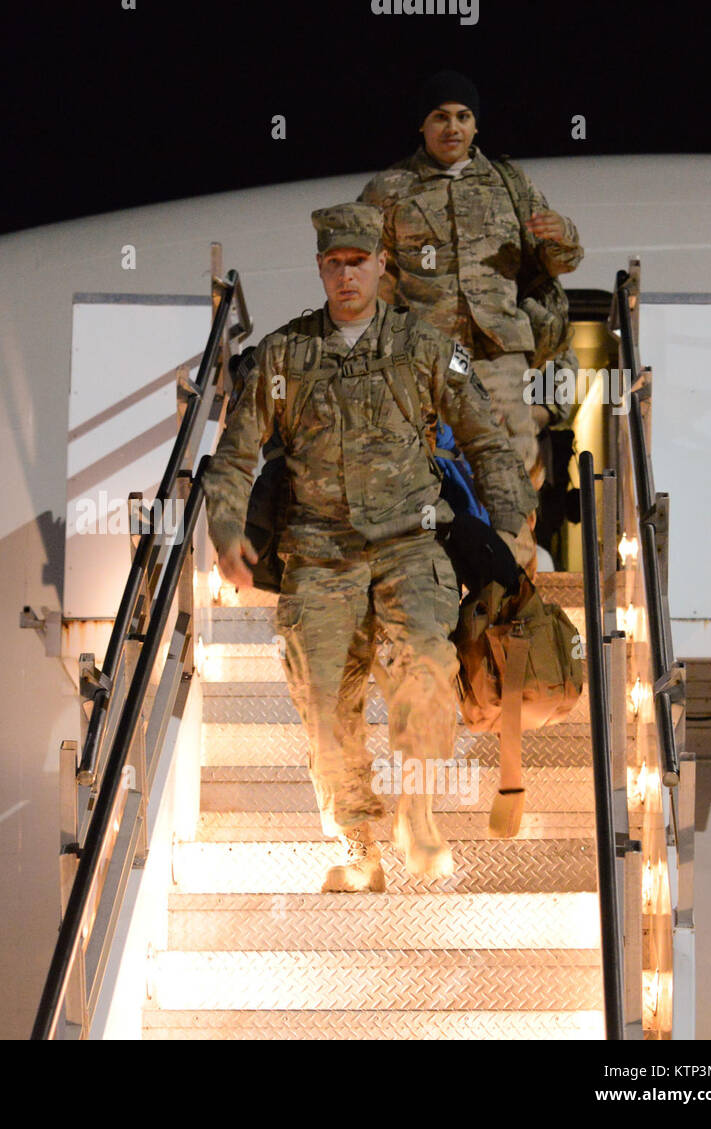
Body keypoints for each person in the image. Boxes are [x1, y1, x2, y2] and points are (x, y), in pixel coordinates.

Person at [202, 202, 537, 892]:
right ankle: (359, 846)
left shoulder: (423, 347)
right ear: (321, 268)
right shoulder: (284, 355)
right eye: (335, 263)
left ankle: (417, 808)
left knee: (425, 668)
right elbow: (234, 456)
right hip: (317, 552)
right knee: (324, 704)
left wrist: (511, 528)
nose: (347, 275)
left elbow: (483, 435)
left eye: (359, 261)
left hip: (410, 542)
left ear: (382, 266)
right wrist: (227, 532)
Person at [358, 70, 584, 491]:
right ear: (422, 124)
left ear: (475, 125)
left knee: (511, 458)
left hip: (497, 348)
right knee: (424, 463)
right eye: (441, 117)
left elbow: (557, 263)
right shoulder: (389, 190)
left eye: (463, 117)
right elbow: (370, 269)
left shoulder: (507, 184)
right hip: (425, 354)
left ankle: (511, 549)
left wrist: (562, 234)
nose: (452, 127)